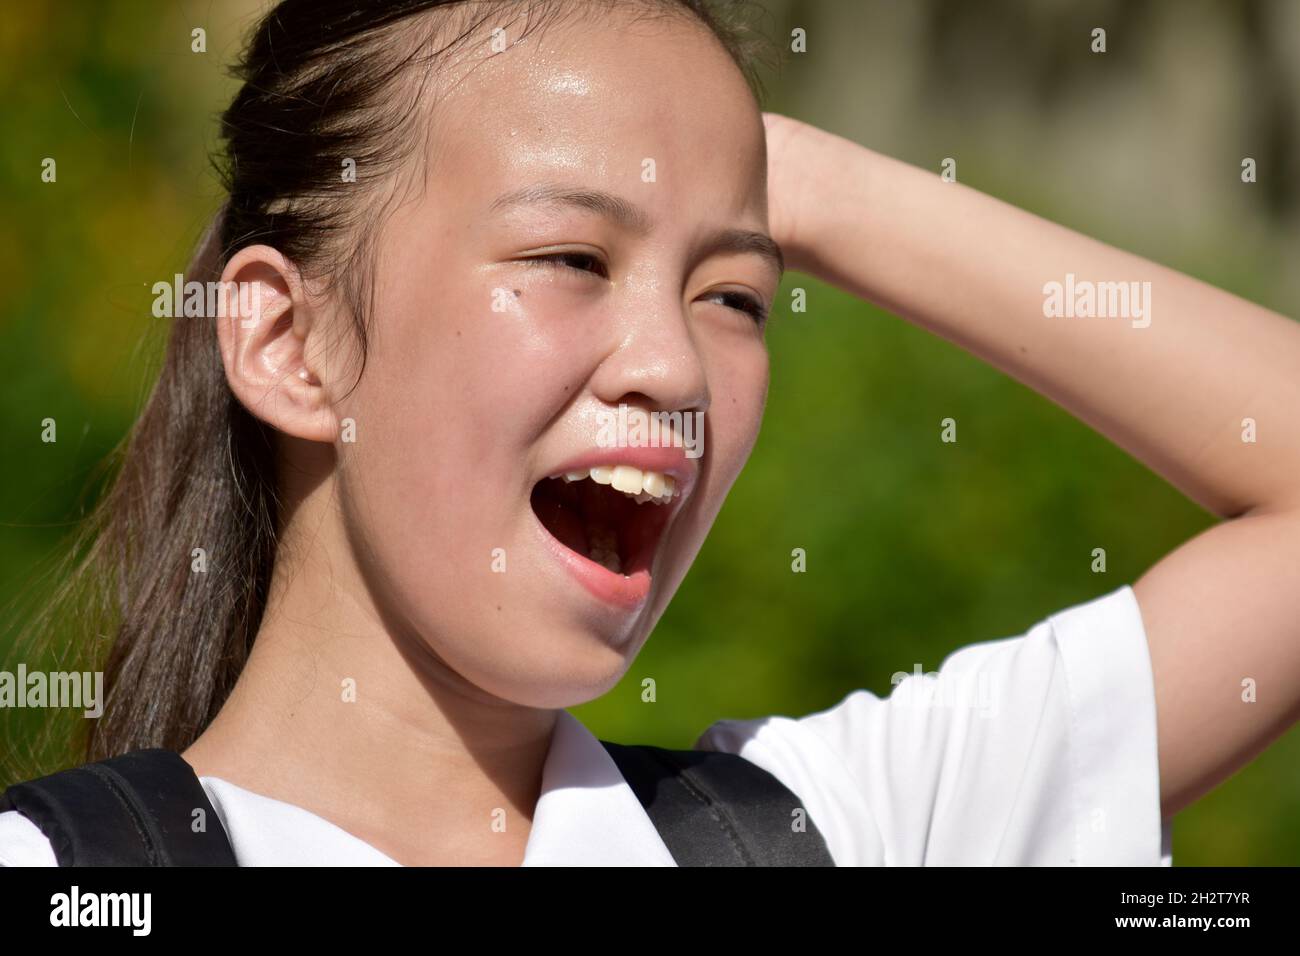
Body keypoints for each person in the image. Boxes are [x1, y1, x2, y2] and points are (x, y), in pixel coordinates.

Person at [2, 0, 1297, 866]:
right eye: (570, 254)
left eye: (733, 296)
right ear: (287, 343)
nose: (678, 363)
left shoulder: (828, 830)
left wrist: (806, 183)